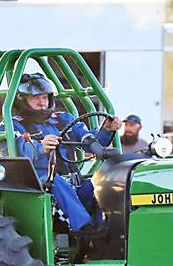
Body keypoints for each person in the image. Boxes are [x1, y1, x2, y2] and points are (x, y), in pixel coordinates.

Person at [11, 72, 117, 240]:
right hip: (37, 184)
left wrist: (106, 130)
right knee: (56, 181)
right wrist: (41, 147)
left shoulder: (63, 119)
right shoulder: (12, 125)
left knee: (101, 185)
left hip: (72, 182)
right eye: (36, 98)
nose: (42, 102)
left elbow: (88, 141)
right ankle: (85, 231)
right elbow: (14, 151)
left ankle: (105, 232)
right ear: (22, 100)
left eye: (45, 97)